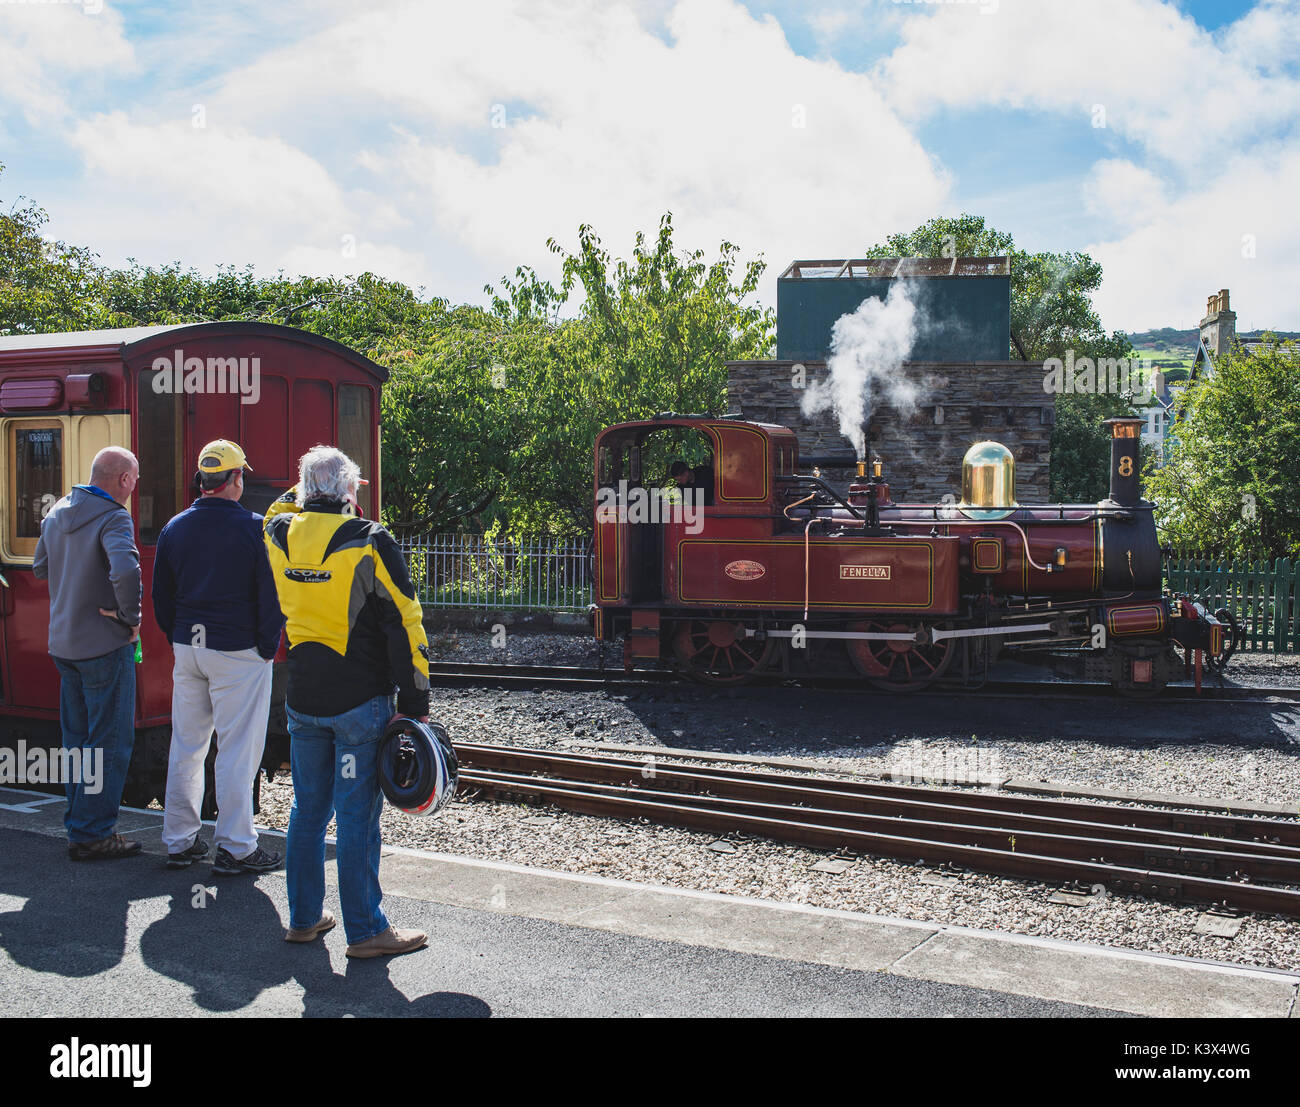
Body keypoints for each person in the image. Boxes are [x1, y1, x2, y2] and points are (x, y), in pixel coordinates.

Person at [264, 447, 433, 958]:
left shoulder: (278, 535)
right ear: (348, 492)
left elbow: (276, 509)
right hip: (360, 701)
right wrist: (417, 700)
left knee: (307, 811)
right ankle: (366, 931)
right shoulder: (370, 540)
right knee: (357, 815)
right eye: (354, 488)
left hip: (303, 696)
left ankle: (303, 918)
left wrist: (310, 490)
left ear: (303, 491)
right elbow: (407, 621)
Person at [153, 439, 285, 876]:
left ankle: (179, 840)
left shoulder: (175, 527)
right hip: (237, 649)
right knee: (237, 750)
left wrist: (179, 636)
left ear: (202, 480)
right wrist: (266, 648)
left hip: (189, 647)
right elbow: (270, 597)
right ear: (235, 479)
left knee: (187, 745)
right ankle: (236, 846)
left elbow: (161, 597)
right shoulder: (254, 528)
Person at [33, 446, 143, 860]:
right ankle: (94, 832)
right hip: (105, 643)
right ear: (123, 479)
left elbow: (40, 567)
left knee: (78, 741)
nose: (135, 487)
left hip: (64, 644)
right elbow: (127, 568)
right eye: (135, 479)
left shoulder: (59, 510)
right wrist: (128, 617)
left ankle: (79, 825)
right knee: (110, 742)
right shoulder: (114, 517)